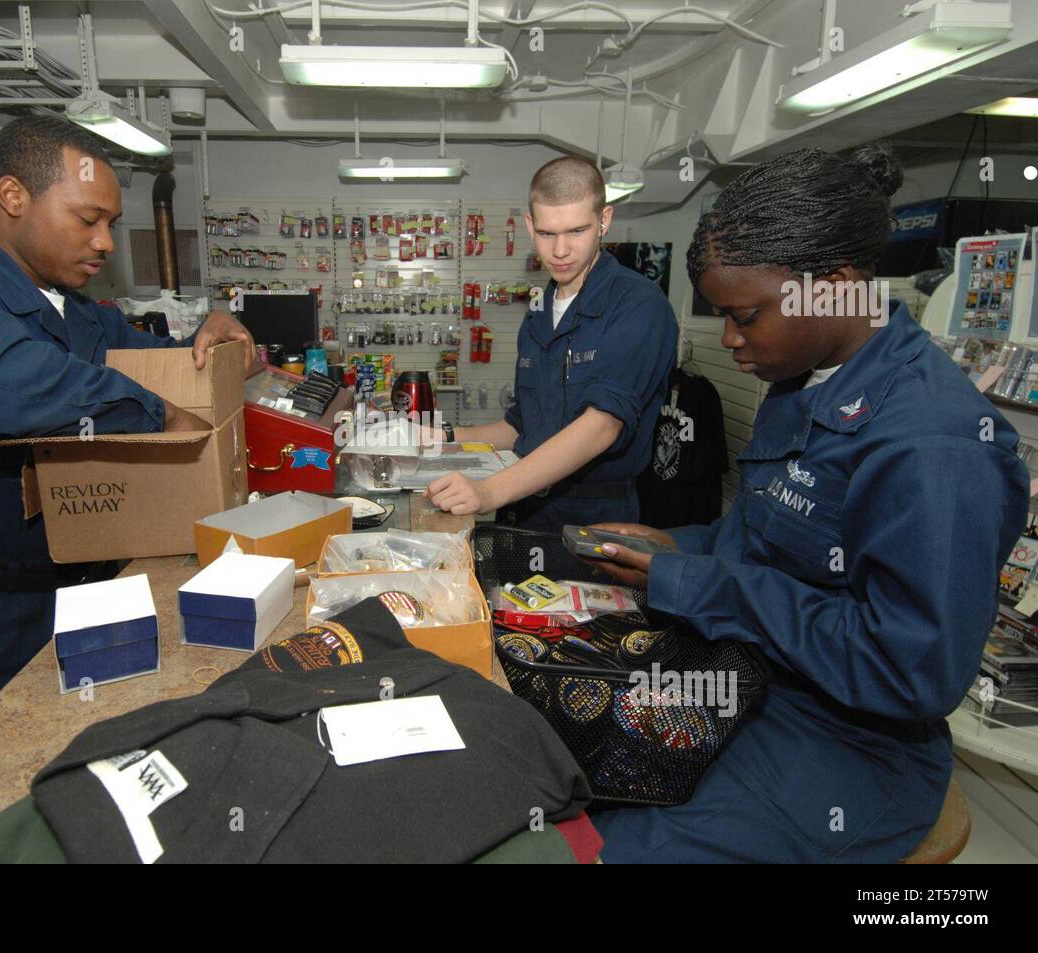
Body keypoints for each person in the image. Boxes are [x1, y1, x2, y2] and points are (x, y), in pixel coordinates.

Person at [586, 143, 1029, 861]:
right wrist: (677, 547)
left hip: (846, 746)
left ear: (836, 285)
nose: (728, 338)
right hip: (751, 679)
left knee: (621, 850)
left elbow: (910, 668)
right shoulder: (804, 378)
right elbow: (769, 541)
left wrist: (710, 586)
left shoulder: (935, 445)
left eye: (746, 315)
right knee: (568, 763)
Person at [0, 115, 254, 774]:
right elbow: (4, 393)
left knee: (89, 786)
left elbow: (177, 368)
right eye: (88, 218)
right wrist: (157, 410)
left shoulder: (81, 312)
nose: (104, 242)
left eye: (112, 224)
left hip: (86, 590)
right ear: (12, 197)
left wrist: (221, 343)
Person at [424, 156, 677, 530]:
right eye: (546, 233)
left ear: (604, 220)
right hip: (527, 508)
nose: (560, 250)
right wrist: (443, 437)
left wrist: (489, 492)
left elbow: (602, 425)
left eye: (576, 231)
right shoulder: (539, 313)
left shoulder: (638, 305)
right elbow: (521, 427)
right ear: (529, 225)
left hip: (595, 518)